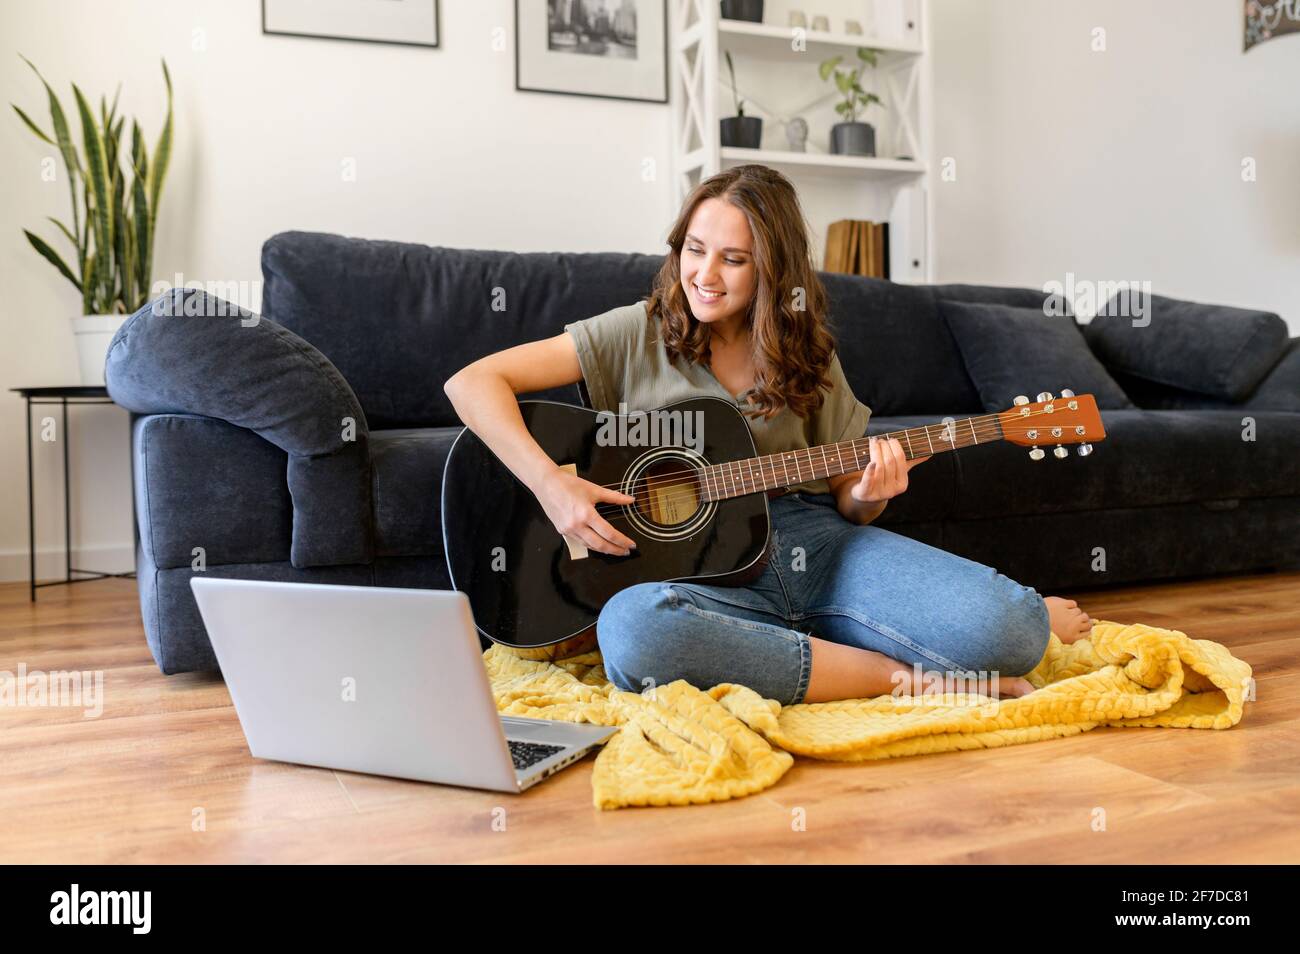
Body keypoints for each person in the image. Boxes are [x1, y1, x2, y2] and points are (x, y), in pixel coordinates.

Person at [443, 163, 1093, 706]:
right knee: (635, 633)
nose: (705, 274)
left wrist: (871, 490)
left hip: (817, 545)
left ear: (772, 270)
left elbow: (850, 500)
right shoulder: (632, 332)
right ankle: (910, 680)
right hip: (702, 577)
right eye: (694, 250)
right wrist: (552, 487)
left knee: (1011, 629)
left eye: (733, 260)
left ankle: (795, 655)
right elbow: (472, 383)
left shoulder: (808, 350)